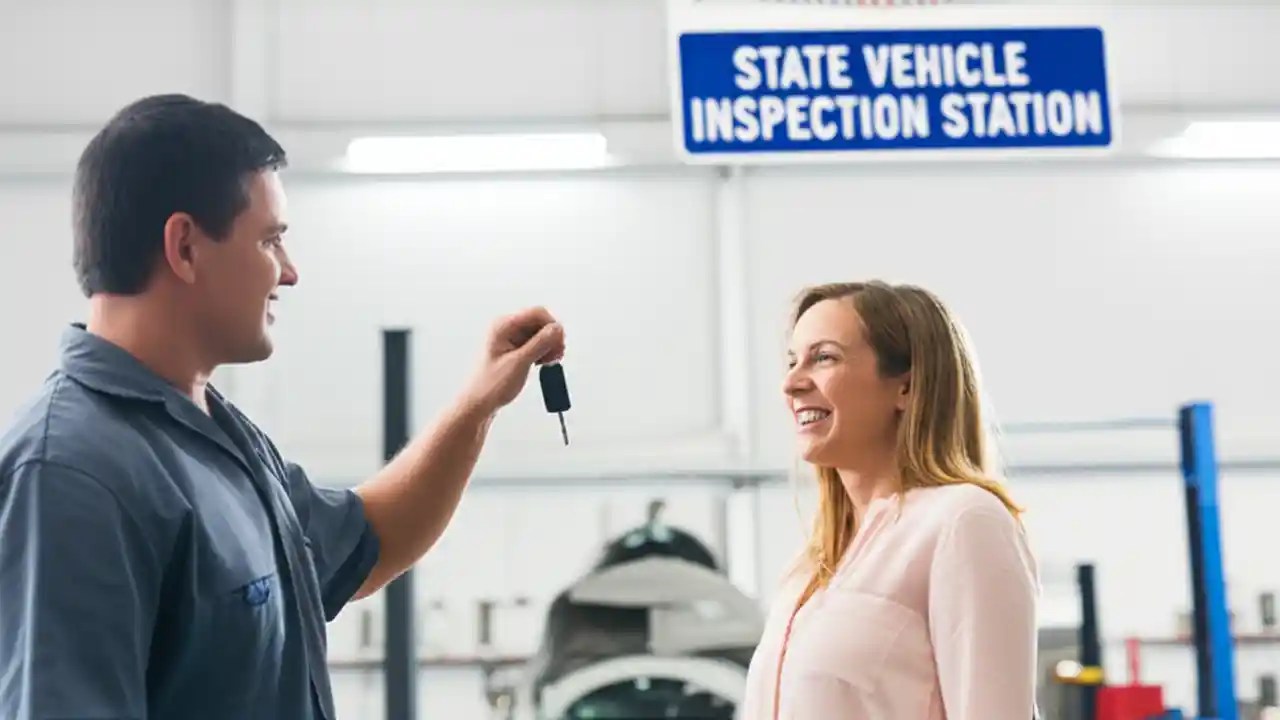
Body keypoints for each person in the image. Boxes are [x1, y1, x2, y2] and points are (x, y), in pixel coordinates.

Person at [0, 94, 565, 720]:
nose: (289, 272)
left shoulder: (216, 437)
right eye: (271, 240)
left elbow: (370, 541)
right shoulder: (71, 474)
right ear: (185, 247)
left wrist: (480, 402)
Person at [740, 281, 1039, 720]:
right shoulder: (809, 570)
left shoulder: (963, 521)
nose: (792, 383)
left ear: (907, 387)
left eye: (824, 358)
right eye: (792, 361)